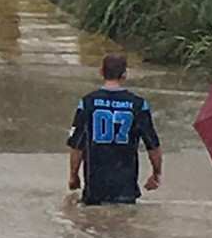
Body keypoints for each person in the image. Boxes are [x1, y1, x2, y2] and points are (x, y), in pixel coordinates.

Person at [67, 53, 162, 205]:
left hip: (95, 186)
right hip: (125, 186)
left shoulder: (87, 103)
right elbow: (153, 145)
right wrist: (156, 173)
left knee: (92, 224)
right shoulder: (138, 104)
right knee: (124, 224)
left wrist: (73, 175)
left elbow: (76, 145)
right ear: (124, 74)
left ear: (101, 72)